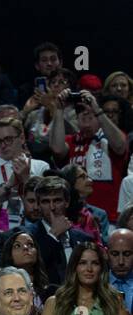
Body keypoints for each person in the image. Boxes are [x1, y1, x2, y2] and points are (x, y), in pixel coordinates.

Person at [50, 86, 130, 221]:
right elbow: (57, 149)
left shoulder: (110, 138)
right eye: (80, 110)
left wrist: (97, 109)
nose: (86, 112)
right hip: (75, 216)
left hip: (109, 216)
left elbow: (120, 145)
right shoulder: (72, 141)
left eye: (89, 108)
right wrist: (58, 110)